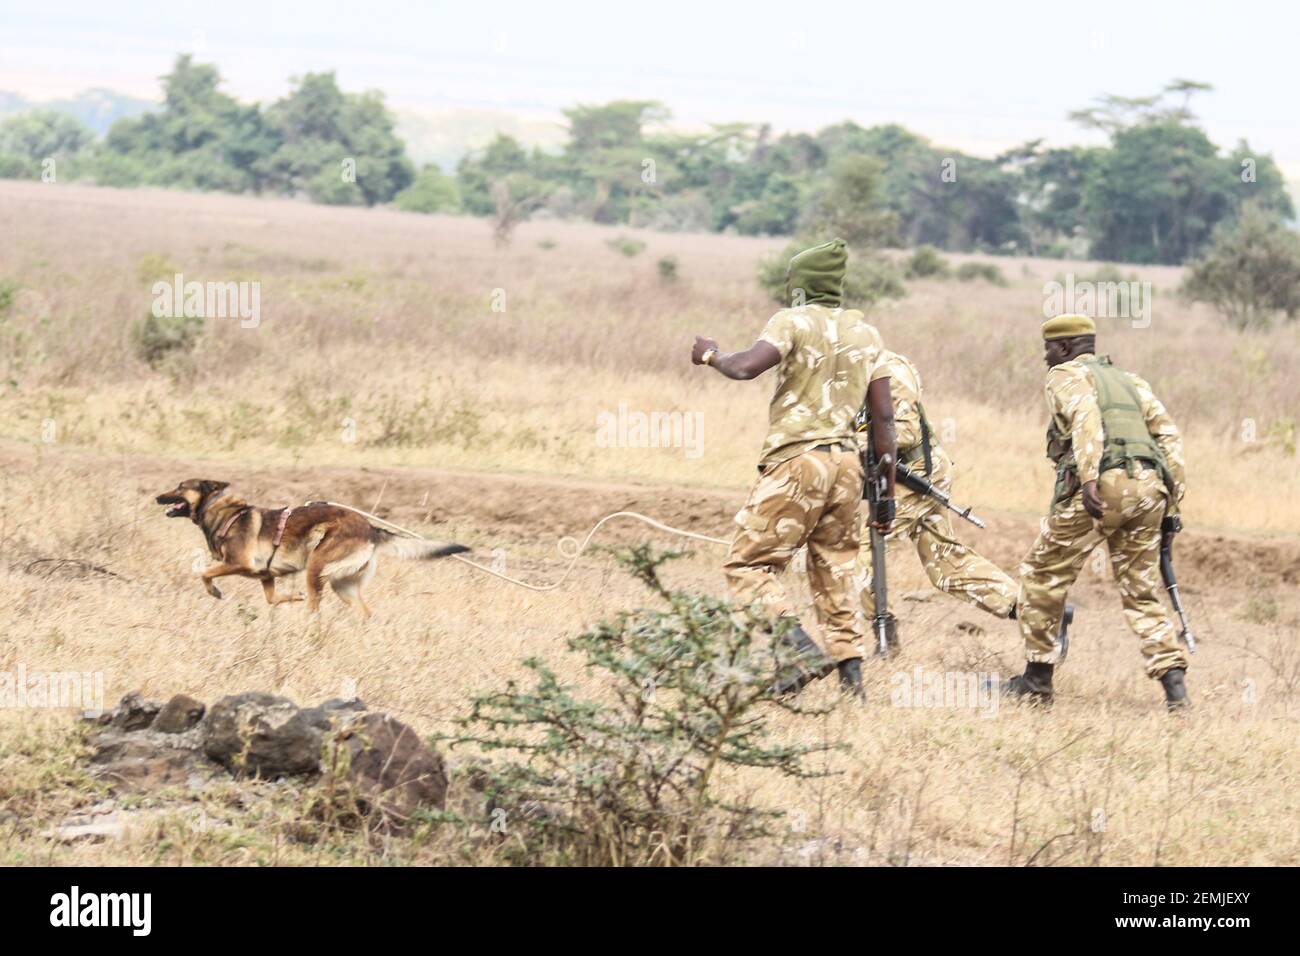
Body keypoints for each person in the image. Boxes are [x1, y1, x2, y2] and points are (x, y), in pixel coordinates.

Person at [691, 238, 896, 699]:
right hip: (847, 466)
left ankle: (797, 650)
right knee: (836, 570)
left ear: (802, 285)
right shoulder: (868, 334)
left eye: (790, 281)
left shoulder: (792, 321)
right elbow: (883, 417)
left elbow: (745, 368)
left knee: (748, 564)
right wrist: (885, 492)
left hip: (798, 461)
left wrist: (710, 353)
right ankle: (852, 684)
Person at [1005, 314, 1190, 709]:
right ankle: (1175, 689)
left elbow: (1086, 417)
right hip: (1150, 491)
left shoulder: (1065, 375)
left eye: (1049, 349)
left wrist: (1089, 479)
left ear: (1066, 348)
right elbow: (1169, 438)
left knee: (1041, 573)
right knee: (1141, 590)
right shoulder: (1130, 381)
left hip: (1104, 488)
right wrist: (1172, 508)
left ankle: (1036, 682)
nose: (1045, 358)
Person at [854, 349, 1019, 645]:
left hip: (915, 471)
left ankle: (884, 634)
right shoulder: (843, 370)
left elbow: (900, 432)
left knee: (865, 551)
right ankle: (1033, 611)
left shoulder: (887, 367)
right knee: (944, 564)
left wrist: (849, 441)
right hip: (897, 471)